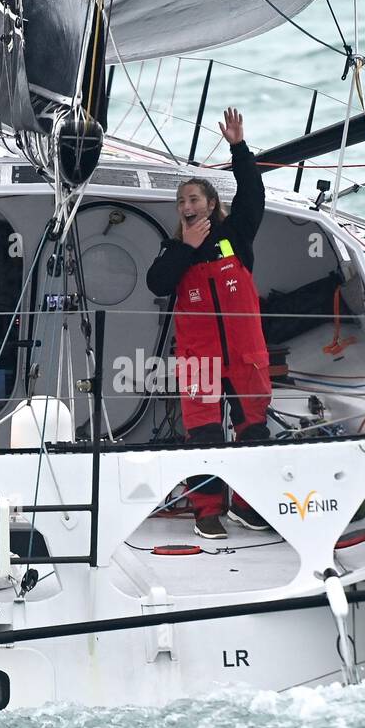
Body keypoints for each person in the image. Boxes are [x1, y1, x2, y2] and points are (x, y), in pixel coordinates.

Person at [147, 107, 272, 540]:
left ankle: (247, 503)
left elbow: (253, 194)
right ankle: (206, 509)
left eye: (194, 199)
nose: (186, 206)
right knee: (201, 434)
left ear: (211, 204)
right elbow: (156, 284)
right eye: (181, 202)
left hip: (244, 354)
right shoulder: (173, 249)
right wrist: (186, 248)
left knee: (253, 428)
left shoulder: (235, 235)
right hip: (199, 359)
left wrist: (239, 147)